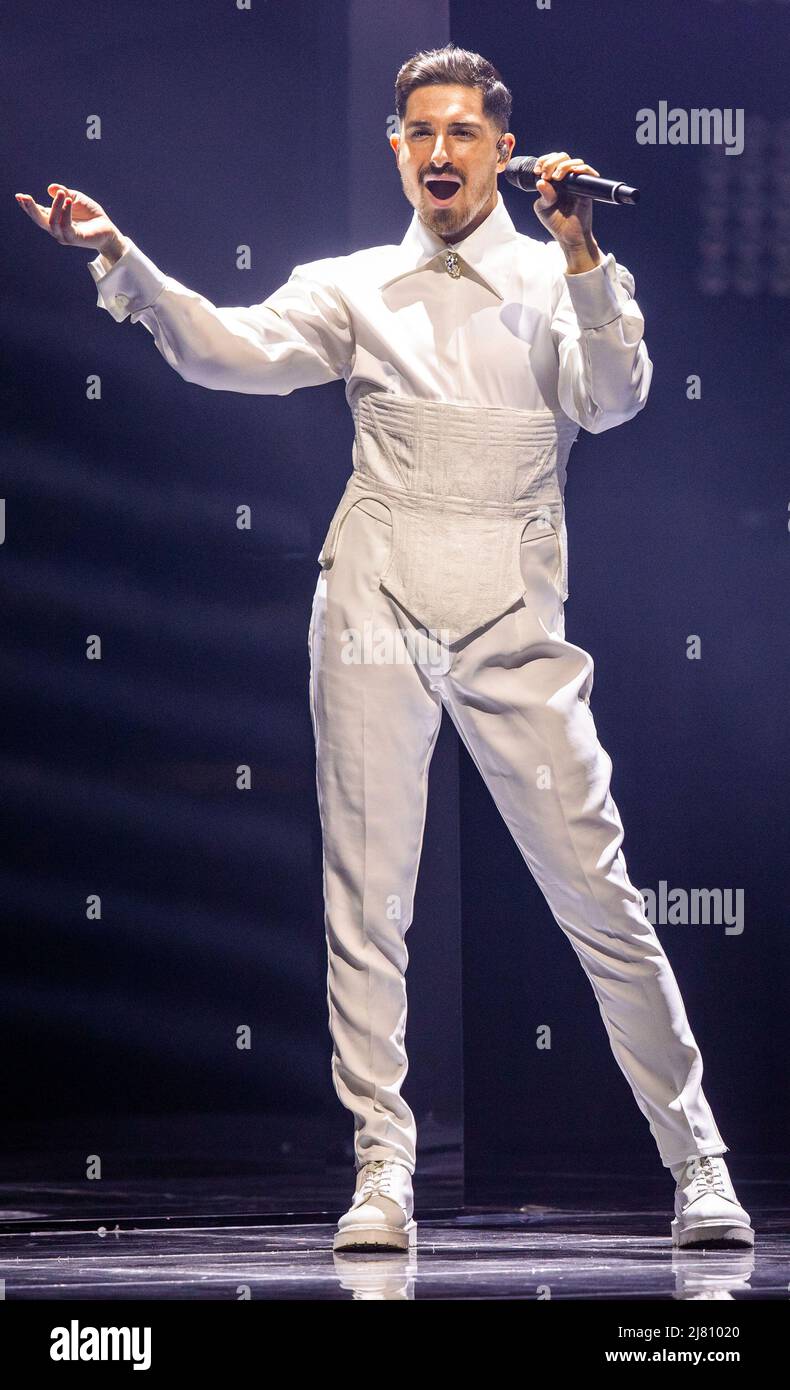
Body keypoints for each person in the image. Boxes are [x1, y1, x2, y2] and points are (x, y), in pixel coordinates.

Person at [16, 43, 754, 1256]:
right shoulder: (355, 285)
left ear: (504, 152)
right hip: (372, 598)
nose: (440, 152)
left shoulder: (563, 274)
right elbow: (225, 351)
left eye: (464, 132)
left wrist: (579, 251)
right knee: (367, 903)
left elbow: (613, 397)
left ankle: (698, 1160)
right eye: (420, 132)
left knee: (601, 898)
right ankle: (382, 1169)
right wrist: (121, 260)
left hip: (513, 611)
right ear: (397, 148)